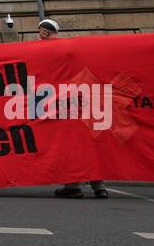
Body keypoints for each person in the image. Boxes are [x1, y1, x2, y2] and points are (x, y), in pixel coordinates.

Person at [36, 19, 109, 199]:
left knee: (69, 147)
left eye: (39, 31)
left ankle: (72, 185)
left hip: (61, 105)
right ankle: (99, 186)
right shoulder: (71, 48)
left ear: (45, 32)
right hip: (82, 101)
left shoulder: (43, 50)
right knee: (88, 146)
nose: (39, 35)